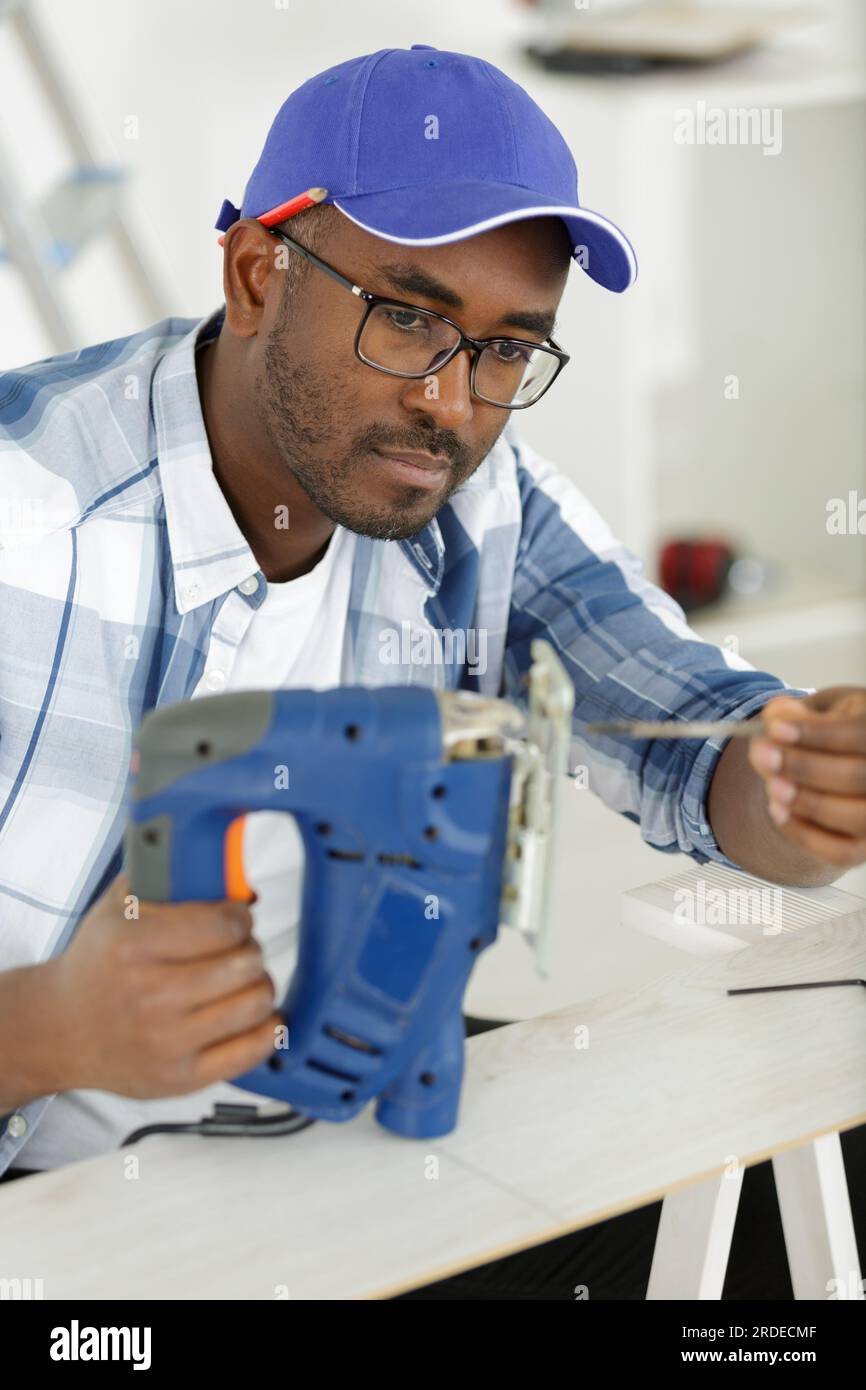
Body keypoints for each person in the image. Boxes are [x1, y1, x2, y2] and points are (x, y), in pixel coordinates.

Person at [1, 46, 864, 1258]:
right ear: (256, 273)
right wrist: (43, 1031)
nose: (453, 405)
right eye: (407, 318)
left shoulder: (475, 498)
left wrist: (804, 783)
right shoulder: (25, 518)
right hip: (54, 1213)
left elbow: (693, 740)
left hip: (359, 1141)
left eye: (508, 348)